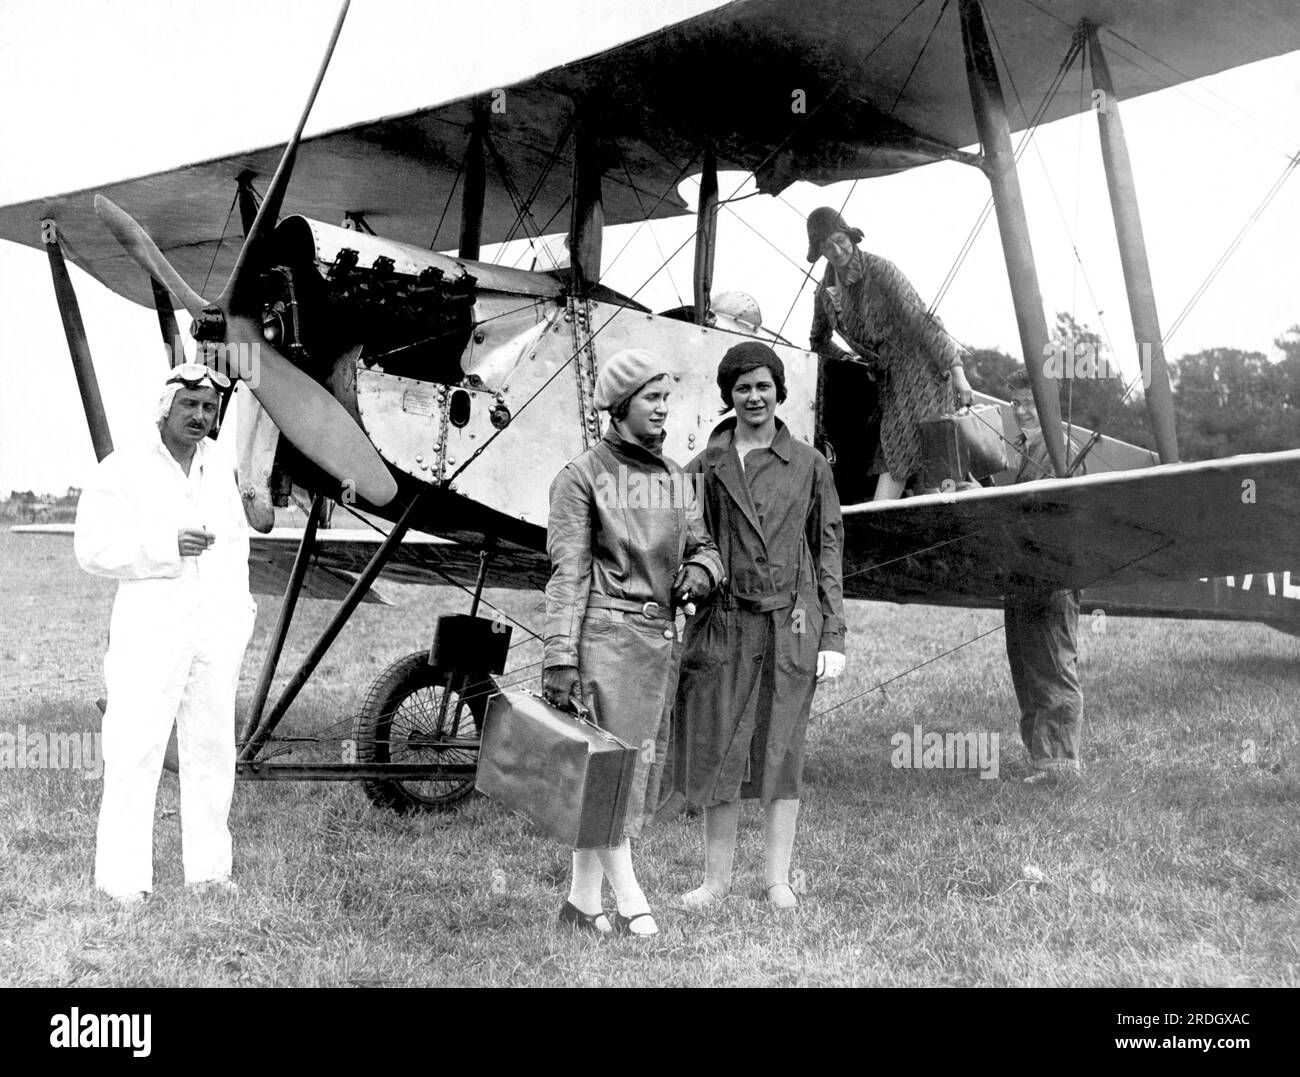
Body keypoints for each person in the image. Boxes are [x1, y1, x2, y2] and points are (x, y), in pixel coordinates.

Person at [74, 363, 272, 904]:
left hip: (215, 634)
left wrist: (239, 615)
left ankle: (209, 874)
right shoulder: (123, 469)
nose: (200, 416)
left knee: (211, 750)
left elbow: (237, 546)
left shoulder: (222, 467)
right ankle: (122, 883)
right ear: (165, 408)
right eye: (189, 405)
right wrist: (165, 547)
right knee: (134, 749)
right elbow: (91, 548)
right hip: (151, 633)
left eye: (209, 408)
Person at [542, 349, 722, 937]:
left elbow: (705, 547)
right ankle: (631, 902)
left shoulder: (675, 477)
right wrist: (560, 656)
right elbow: (567, 574)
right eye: (651, 398)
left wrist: (701, 572)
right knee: (610, 775)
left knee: (622, 775)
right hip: (605, 640)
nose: (663, 409)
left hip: (658, 643)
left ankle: (580, 903)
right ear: (620, 406)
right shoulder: (579, 478)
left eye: (667, 397)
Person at [674, 341, 846, 910]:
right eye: (742, 387)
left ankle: (778, 880)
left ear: (779, 392)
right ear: (729, 395)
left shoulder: (811, 465)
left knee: (782, 751)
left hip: (791, 625)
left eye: (763, 386)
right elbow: (681, 541)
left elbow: (828, 551)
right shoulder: (704, 468)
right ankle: (715, 882)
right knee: (720, 749)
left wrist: (833, 634)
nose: (754, 397)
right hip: (723, 625)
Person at [806, 206, 974, 500]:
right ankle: (945, 515)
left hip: (920, 371)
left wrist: (958, 372)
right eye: (827, 246)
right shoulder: (824, 293)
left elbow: (922, 319)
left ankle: (877, 516)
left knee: (897, 453)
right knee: (923, 468)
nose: (837, 251)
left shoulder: (880, 270)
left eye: (840, 241)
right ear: (819, 250)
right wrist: (847, 358)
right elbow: (818, 340)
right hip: (886, 381)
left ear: (851, 237)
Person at [1002, 368, 1086, 783]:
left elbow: (1048, 514)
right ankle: (1043, 759)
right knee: (1028, 667)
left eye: (1029, 403)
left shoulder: (1057, 449)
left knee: (1051, 665)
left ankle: (1061, 766)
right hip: (1026, 573)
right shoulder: (1029, 448)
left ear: (1048, 405)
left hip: (1050, 576)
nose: (1020, 411)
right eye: (1015, 403)